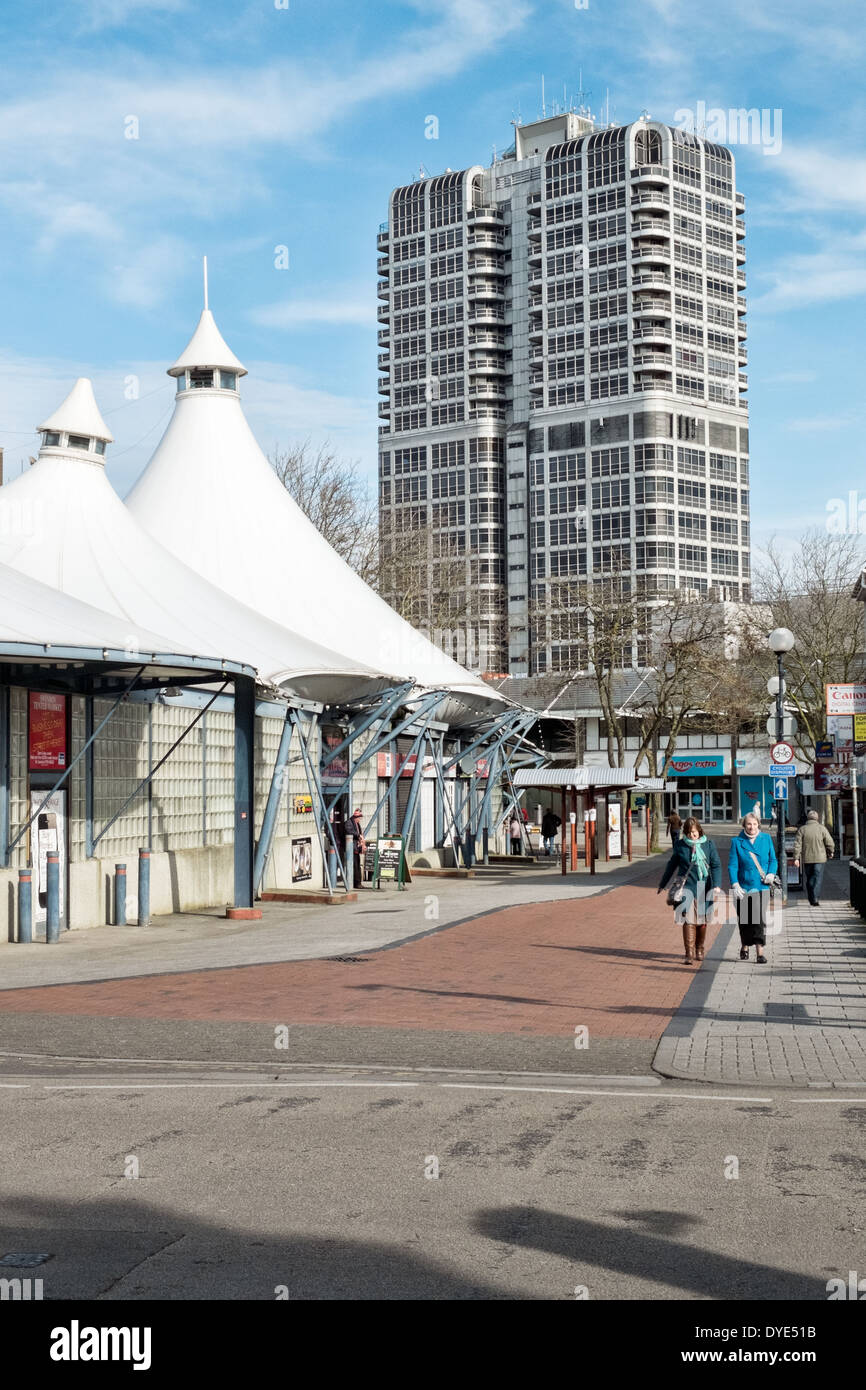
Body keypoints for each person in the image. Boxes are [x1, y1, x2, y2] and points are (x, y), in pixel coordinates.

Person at [658, 816, 722, 966]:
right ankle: (689, 953)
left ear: (699, 831)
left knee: (702, 921)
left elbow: (716, 865)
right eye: (689, 833)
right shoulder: (680, 846)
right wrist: (663, 884)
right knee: (688, 919)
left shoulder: (708, 844)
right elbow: (671, 865)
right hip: (686, 886)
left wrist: (717, 885)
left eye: (694, 833)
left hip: (704, 886)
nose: (692, 836)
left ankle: (700, 948)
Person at [729, 812, 777, 964]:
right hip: (743, 886)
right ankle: (744, 946)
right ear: (744, 825)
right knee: (744, 919)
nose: (752, 827)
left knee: (758, 919)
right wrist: (735, 884)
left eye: (755, 824)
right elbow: (733, 865)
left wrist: (771, 873)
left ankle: (760, 952)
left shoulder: (766, 839)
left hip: (761, 885)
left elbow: (773, 859)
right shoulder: (737, 842)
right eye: (749, 824)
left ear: (758, 825)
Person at [793, 809, 834, 906]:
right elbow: (830, 842)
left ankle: (812, 898)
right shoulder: (822, 828)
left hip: (807, 859)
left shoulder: (802, 829)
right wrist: (831, 852)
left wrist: (796, 858)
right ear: (817, 818)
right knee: (817, 878)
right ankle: (814, 898)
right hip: (820, 858)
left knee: (810, 878)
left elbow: (797, 845)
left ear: (808, 818)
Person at [345, 807, 367, 888]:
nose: (360, 820)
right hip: (351, 847)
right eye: (359, 818)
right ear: (356, 817)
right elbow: (349, 831)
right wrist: (358, 835)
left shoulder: (356, 824)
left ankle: (357, 882)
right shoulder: (349, 823)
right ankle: (356, 883)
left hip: (356, 847)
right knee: (355, 865)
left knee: (357, 865)